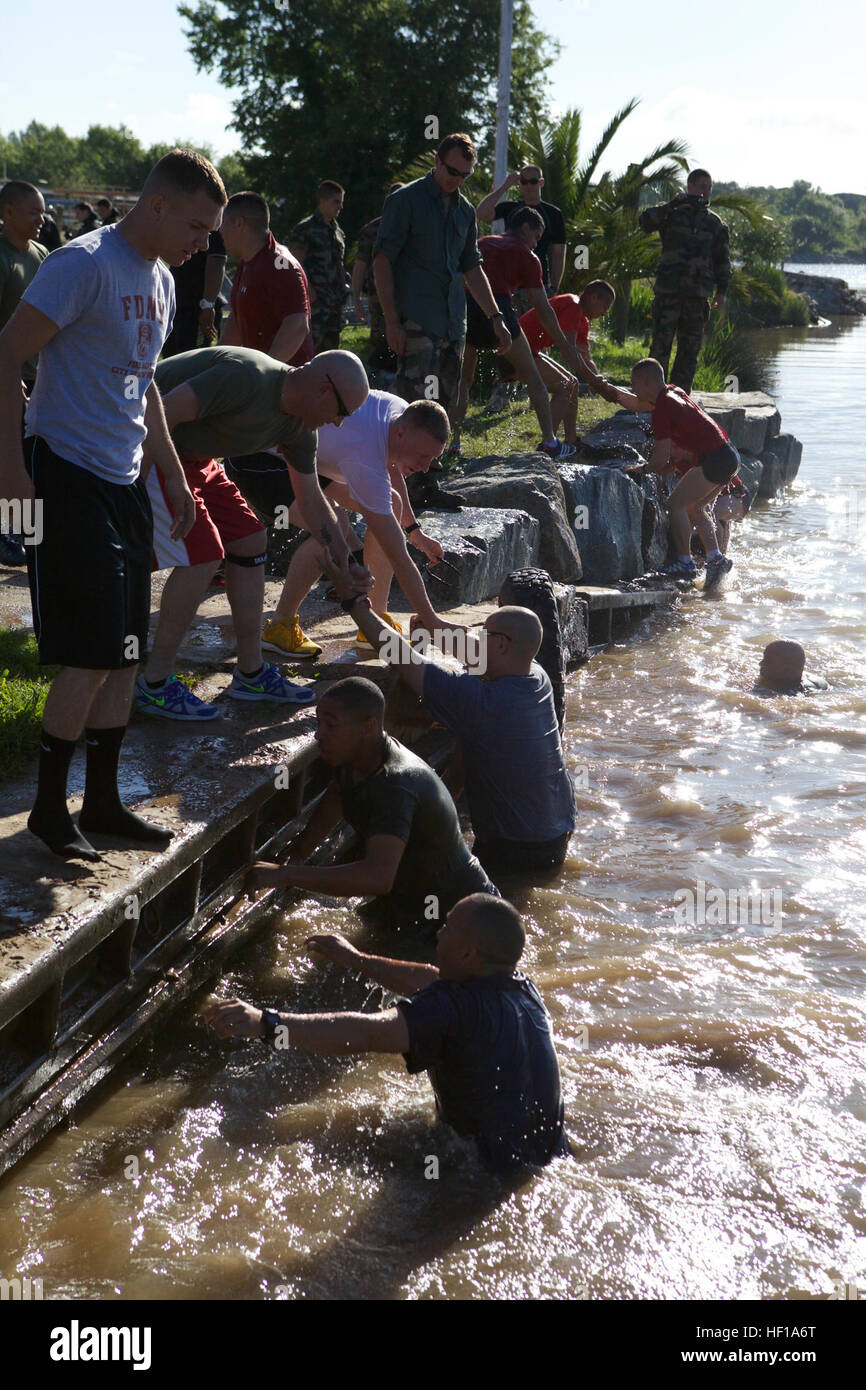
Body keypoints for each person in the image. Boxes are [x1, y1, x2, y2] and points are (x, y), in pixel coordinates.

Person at [0, 148, 225, 861]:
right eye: (196, 225)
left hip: (126, 479)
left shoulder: (161, 279)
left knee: (127, 653)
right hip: (64, 471)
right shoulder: (81, 263)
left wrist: (172, 475)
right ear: (157, 204)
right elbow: (6, 355)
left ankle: (100, 803)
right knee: (91, 652)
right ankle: (46, 810)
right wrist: (9, 467)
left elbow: (146, 382)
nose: (202, 243)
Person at [204, 893, 571, 1175]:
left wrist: (267, 1022)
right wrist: (356, 959)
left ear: (468, 954)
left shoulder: (449, 1008)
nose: (439, 931)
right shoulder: (522, 986)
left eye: (448, 926)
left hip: (488, 1173)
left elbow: (366, 1033)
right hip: (550, 1157)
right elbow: (431, 977)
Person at [136, 346, 371, 720]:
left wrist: (348, 562)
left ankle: (250, 673)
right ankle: (154, 683)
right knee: (205, 554)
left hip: (198, 458)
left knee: (250, 539)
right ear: (324, 389)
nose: (339, 423)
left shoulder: (299, 428)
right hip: (150, 444)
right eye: (342, 413)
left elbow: (310, 500)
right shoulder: (248, 377)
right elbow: (158, 412)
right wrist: (134, 492)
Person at [326, 560, 575, 875]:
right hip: (558, 829)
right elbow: (471, 650)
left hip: (515, 846)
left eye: (485, 632)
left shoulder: (482, 701)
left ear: (500, 644)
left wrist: (355, 604)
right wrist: (431, 626)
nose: (477, 637)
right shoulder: (536, 677)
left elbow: (400, 656)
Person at [245, 676, 497, 938]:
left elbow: (378, 877)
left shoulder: (394, 786)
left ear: (368, 726)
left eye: (331, 725)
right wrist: (296, 856)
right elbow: (335, 800)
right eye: (319, 723)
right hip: (410, 897)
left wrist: (287, 875)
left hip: (462, 920)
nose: (319, 734)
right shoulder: (355, 754)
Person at [236, 392, 456, 661]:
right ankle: (280, 627)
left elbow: (394, 469)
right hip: (258, 459)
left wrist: (414, 531)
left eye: (432, 459)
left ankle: (373, 622)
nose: (425, 468)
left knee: (393, 504)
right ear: (400, 434)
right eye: (423, 457)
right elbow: (398, 556)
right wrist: (432, 620)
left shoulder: (401, 415)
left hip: (307, 455)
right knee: (331, 530)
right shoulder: (364, 451)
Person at [373, 133, 511, 422]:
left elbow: (472, 268)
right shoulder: (405, 200)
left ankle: (432, 463)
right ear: (437, 160)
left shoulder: (466, 212)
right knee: (408, 401)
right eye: (452, 171)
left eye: (465, 175)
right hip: (416, 317)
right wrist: (391, 321)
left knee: (443, 403)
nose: (457, 180)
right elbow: (382, 261)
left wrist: (496, 318)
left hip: (453, 322)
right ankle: (396, 464)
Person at [451, 208, 597, 461]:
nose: (536, 243)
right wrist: (564, 346)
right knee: (532, 377)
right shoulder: (527, 256)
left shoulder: (480, 243)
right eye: (537, 237)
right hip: (498, 309)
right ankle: (551, 443)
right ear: (526, 227)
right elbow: (542, 307)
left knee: (463, 381)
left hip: (465, 307)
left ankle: (453, 443)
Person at [597, 357, 740, 587]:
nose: (632, 388)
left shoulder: (662, 409)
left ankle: (684, 563)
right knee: (697, 507)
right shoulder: (673, 392)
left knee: (675, 505)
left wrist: (641, 469)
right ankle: (716, 558)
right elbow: (636, 404)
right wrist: (608, 389)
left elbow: (661, 458)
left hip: (714, 460)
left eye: (633, 384)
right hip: (729, 456)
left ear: (645, 383)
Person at [638, 168, 730, 393]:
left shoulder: (715, 224)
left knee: (689, 352)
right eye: (701, 186)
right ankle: (653, 397)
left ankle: (680, 399)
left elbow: (722, 260)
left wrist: (722, 291)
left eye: (709, 187)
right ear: (689, 186)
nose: (705, 192)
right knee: (660, 348)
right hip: (668, 293)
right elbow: (645, 222)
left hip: (697, 298)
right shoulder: (671, 214)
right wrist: (672, 204)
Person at [0, 180, 47, 567]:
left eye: (43, 211)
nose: (41, 218)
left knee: (35, 456)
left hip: (38, 375)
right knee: (8, 453)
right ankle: (7, 531)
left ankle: (31, 535)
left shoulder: (43, 255)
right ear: (8, 212)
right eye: (33, 211)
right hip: (6, 375)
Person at [515, 280, 616, 445]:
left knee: (573, 384)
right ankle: (549, 445)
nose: (604, 313)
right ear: (593, 297)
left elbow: (584, 356)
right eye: (605, 307)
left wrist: (599, 381)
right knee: (565, 385)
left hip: (529, 352)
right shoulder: (573, 305)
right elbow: (569, 355)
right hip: (515, 351)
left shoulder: (582, 319)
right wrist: (594, 381)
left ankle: (571, 440)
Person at [219, 191, 313, 365]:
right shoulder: (247, 262)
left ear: (239, 223)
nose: (220, 230)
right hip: (261, 383)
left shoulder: (280, 264)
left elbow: (298, 325)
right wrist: (216, 364)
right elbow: (237, 324)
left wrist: (262, 372)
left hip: (288, 384)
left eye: (223, 223)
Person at [476, 165, 567, 295]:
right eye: (524, 182)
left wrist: (554, 287)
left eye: (533, 182)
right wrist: (505, 186)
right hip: (509, 285)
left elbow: (559, 253)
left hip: (538, 285)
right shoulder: (510, 208)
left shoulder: (553, 213)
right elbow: (480, 214)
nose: (529, 186)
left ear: (541, 183)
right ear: (520, 184)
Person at [288, 180, 347, 352]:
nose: (340, 207)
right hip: (315, 304)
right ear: (322, 200)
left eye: (341, 202)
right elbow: (294, 266)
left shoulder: (338, 232)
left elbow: (339, 265)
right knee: (309, 352)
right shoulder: (305, 229)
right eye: (336, 201)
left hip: (334, 304)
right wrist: (309, 293)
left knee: (330, 355)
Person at [351, 183, 403, 376]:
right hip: (379, 298)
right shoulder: (373, 229)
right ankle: (382, 387)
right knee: (381, 345)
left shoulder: (417, 225)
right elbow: (360, 265)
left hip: (410, 298)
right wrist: (356, 300)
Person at [162, 228, 226, 357]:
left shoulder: (212, 224)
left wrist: (208, 304)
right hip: (178, 304)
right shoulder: (189, 219)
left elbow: (216, 263)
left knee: (190, 362)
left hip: (196, 308)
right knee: (171, 361)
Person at [756, 641, 828, 696]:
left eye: (768, 661)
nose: (761, 663)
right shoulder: (798, 674)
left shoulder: (796, 693)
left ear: (787, 670)